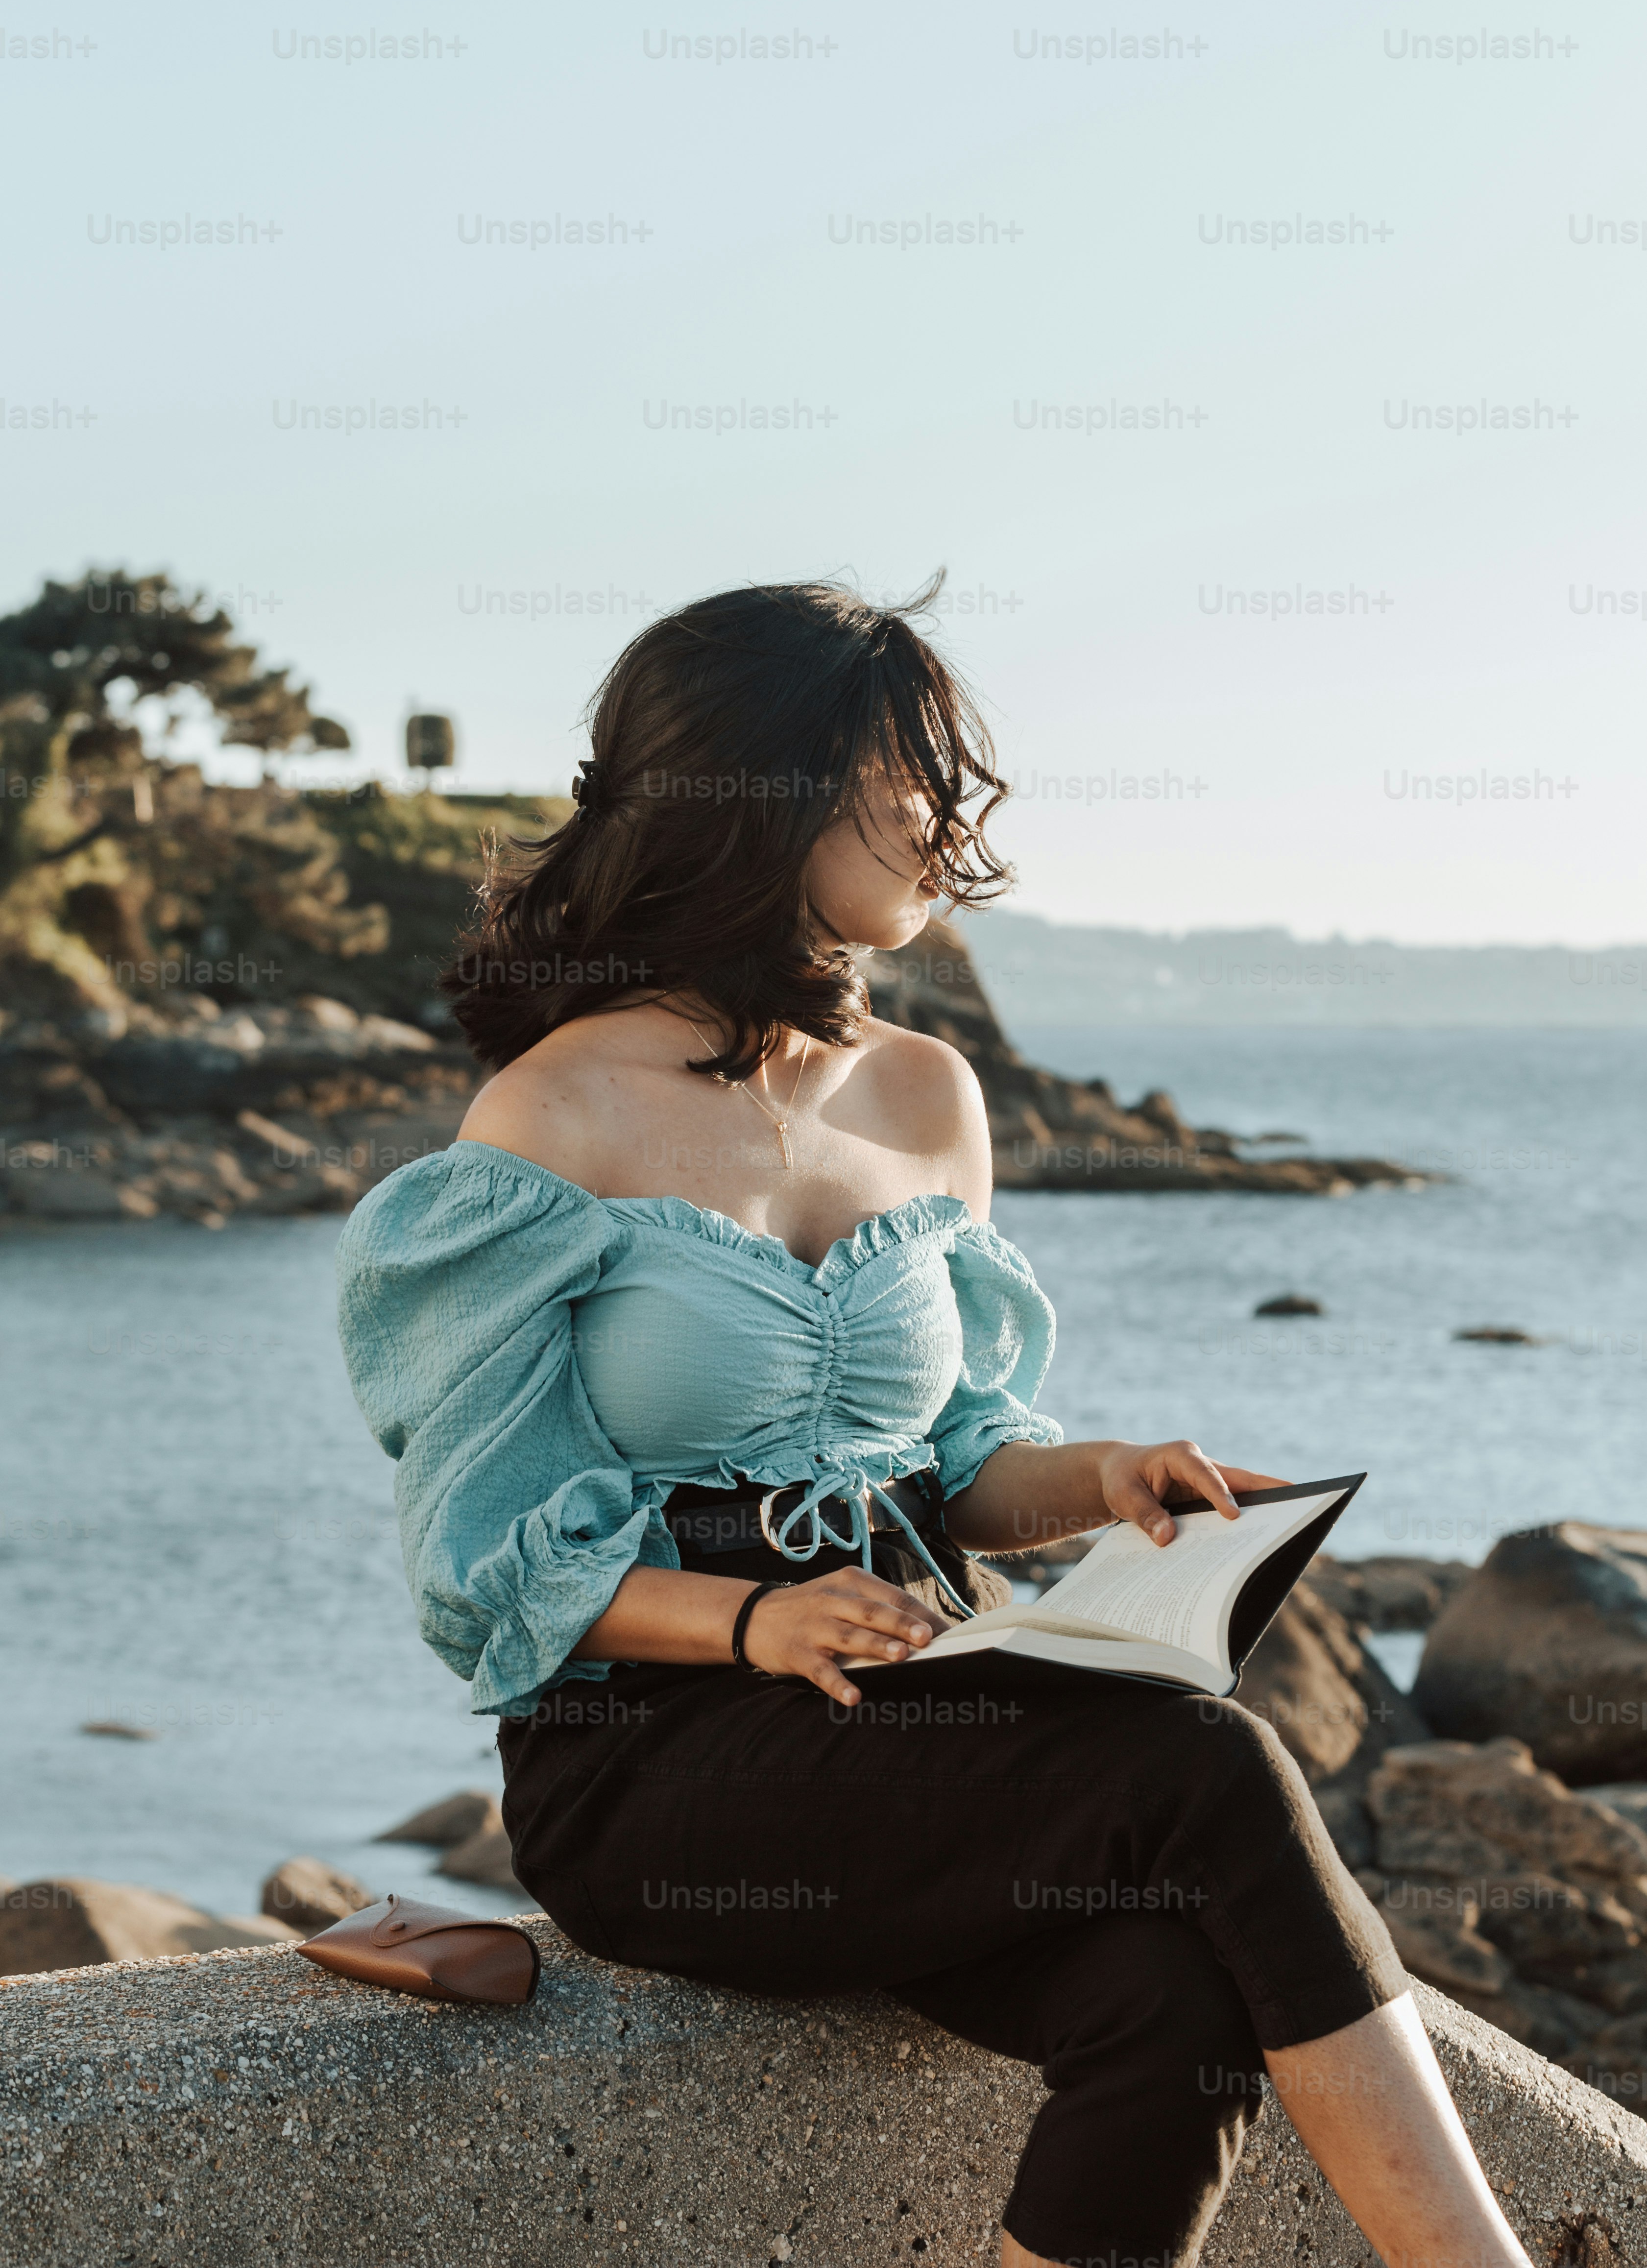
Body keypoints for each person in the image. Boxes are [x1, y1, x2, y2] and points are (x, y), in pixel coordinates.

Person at [337, 578, 1531, 2268]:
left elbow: (958, 1463)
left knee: (1169, 2000)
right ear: (761, 790)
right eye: (902, 774)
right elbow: (481, 1559)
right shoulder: (555, 1115)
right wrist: (754, 1618)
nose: (941, 816)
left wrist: (1108, 1480)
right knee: (1204, 1764)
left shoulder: (927, 1094)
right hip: (654, 1761)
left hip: (901, 1718)